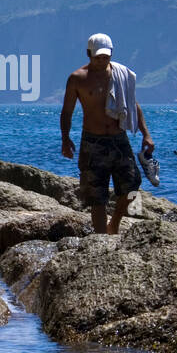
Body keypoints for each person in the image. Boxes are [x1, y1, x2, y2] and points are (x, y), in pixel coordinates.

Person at [61, 33, 154, 235]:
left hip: (119, 139)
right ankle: (102, 238)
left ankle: (115, 224)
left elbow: (132, 104)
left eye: (106, 57)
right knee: (97, 194)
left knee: (132, 183)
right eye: (98, 57)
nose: (102, 61)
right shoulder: (78, 78)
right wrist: (65, 139)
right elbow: (67, 111)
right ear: (88, 54)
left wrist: (146, 134)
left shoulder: (120, 74)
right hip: (92, 142)